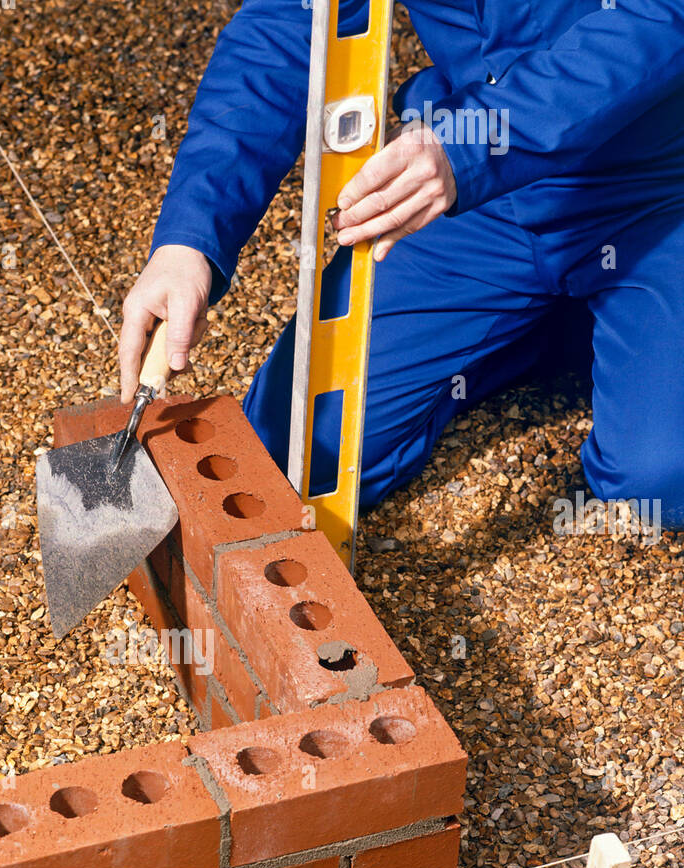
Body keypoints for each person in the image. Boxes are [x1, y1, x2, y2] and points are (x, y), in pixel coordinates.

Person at [119, 0, 684, 527]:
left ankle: (601, 332)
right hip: (478, 199)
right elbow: (292, 24)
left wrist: (471, 143)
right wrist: (190, 238)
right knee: (291, 455)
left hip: (655, 189)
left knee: (657, 486)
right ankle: (556, 332)